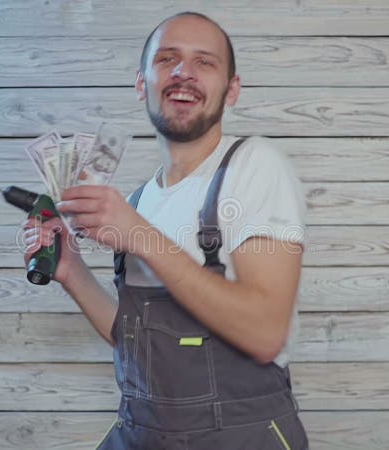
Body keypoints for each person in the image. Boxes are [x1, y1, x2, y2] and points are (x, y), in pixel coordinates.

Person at [23, 11, 309, 449]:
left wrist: (139, 235)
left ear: (232, 90)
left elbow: (265, 334)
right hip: (143, 432)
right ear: (142, 84)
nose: (183, 72)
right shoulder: (139, 201)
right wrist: (71, 271)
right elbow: (134, 339)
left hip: (238, 436)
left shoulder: (254, 165)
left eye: (205, 62)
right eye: (167, 59)